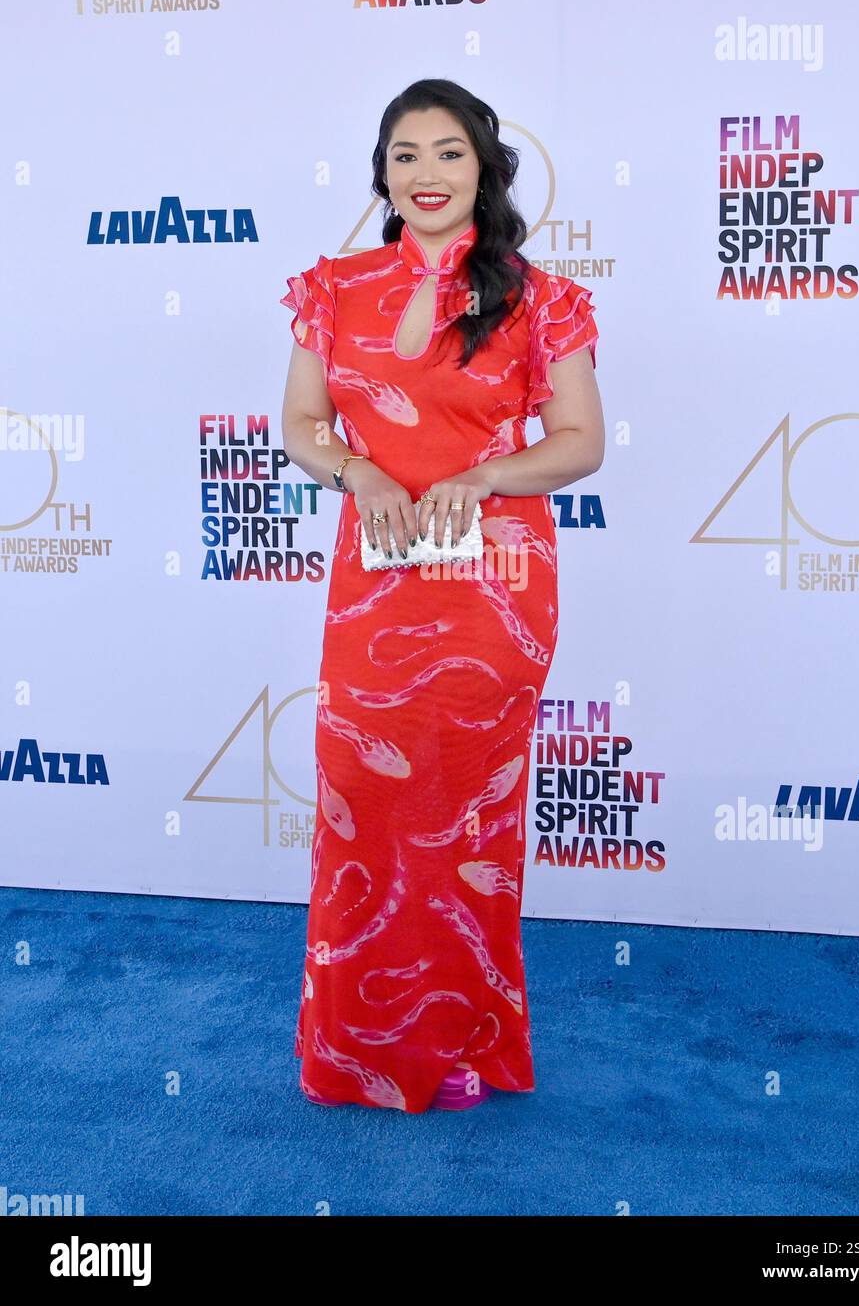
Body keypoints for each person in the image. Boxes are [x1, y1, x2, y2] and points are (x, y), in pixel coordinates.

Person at [280, 78, 604, 1113]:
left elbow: (580, 443)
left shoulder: (543, 298)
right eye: (405, 154)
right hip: (372, 588)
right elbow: (302, 425)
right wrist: (359, 471)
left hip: (492, 590)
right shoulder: (330, 288)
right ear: (381, 172)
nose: (426, 173)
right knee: (363, 809)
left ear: (485, 168)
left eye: (449, 152)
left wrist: (481, 476)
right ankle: (354, 1051)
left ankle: (464, 1044)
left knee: (465, 821)